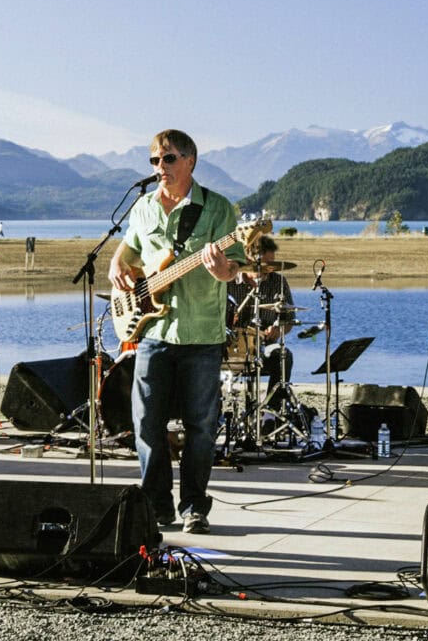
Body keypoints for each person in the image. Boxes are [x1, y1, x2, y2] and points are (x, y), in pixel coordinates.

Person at [108, 129, 246, 534]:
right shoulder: (144, 207)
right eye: (154, 160)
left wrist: (223, 270)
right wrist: (117, 264)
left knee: (200, 427)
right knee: (146, 423)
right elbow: (129, 249)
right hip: (153, 331)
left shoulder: (217, 208)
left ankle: (194, 508)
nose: (159, 167)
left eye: (167, 159)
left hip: (201, 333)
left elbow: (234, 265)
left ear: (190, 161)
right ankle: (156, 506)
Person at [227, 236, 296, 408]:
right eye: (266, 264)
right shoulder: (228, 282)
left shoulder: (278, 282)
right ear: (249, 260)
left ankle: (270, 412)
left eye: (273, 263)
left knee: (284, 356)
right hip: (232, 347)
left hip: (265, 346)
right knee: (206, 358)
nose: (270, 268)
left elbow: (289, 319)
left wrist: (278, 330)